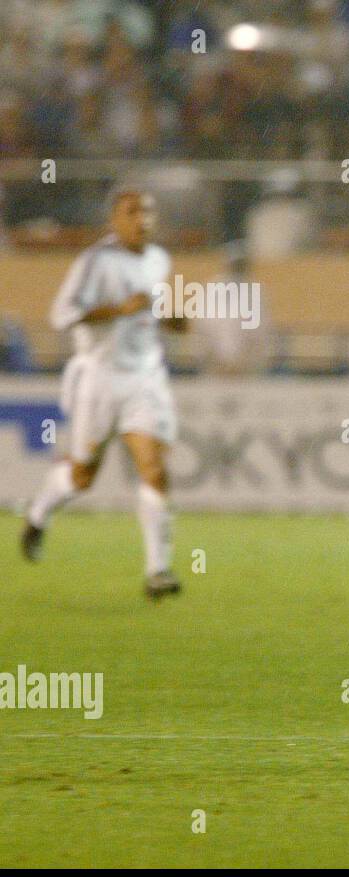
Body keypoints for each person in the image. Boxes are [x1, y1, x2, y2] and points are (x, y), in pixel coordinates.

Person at [20, 189, 188, 600]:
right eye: (132, 212)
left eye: (147, 211)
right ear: (113, 219)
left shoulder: (158, 260)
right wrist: (118, 309)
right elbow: (61, 315)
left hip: (145, 377)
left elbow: (162, 315)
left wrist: (174, 319)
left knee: (155, 468)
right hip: (100, 378)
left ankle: (157, 571)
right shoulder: (95, 262)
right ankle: (40, 513)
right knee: (82, 477)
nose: (142, 219)